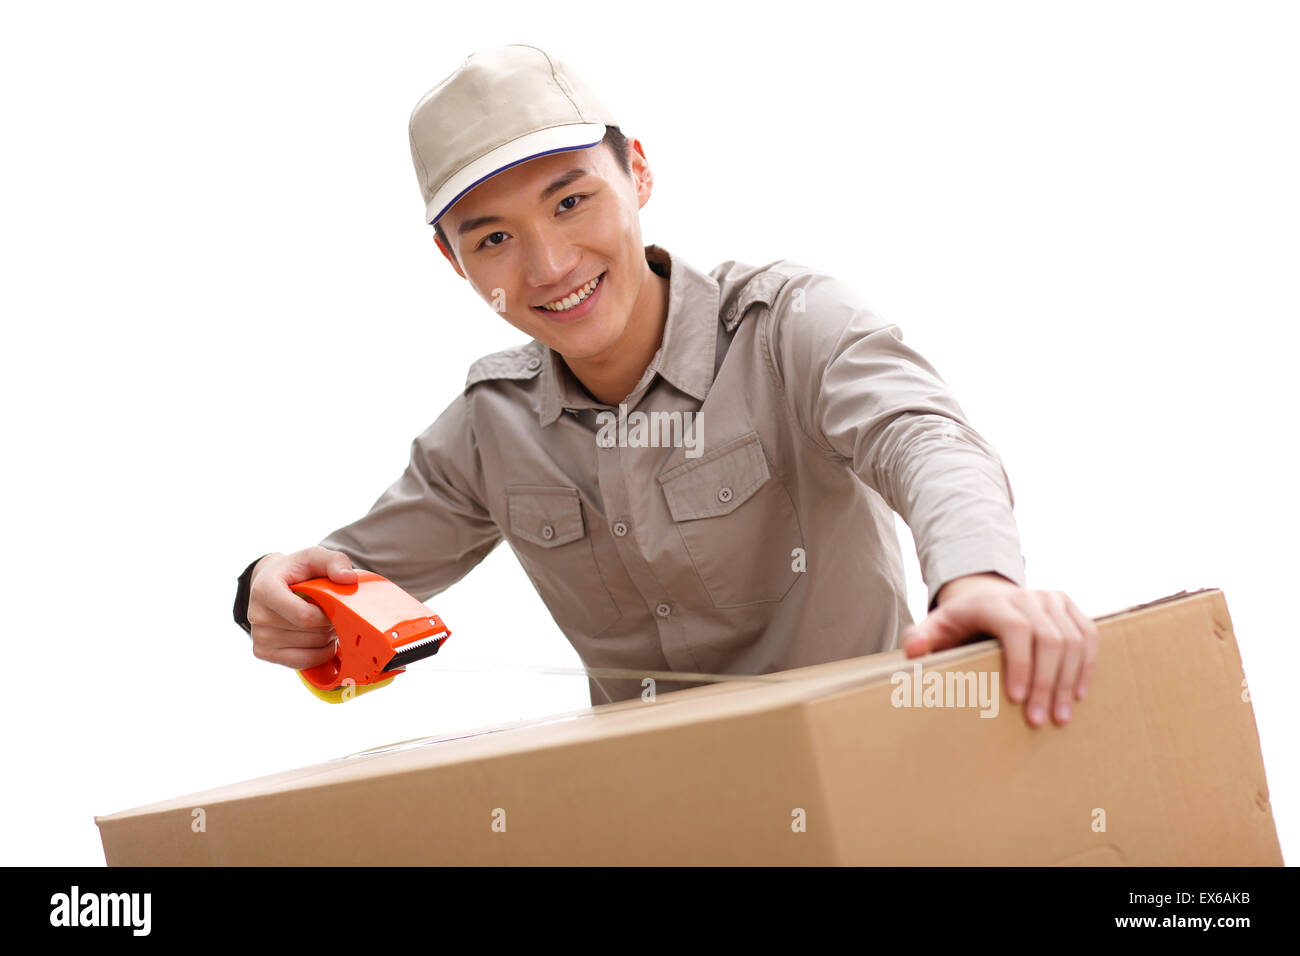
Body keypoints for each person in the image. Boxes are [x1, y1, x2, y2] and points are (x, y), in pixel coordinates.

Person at [233, 43, 1097, 725]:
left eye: (572, 202)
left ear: (638, 171)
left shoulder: (788, 327)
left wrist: (979, 583)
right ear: (450, 260)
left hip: (872, 790)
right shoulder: (487, 430)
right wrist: (269, 586)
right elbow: (343, 580)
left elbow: (925, 437)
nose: (550, 265)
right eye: (492, 239)